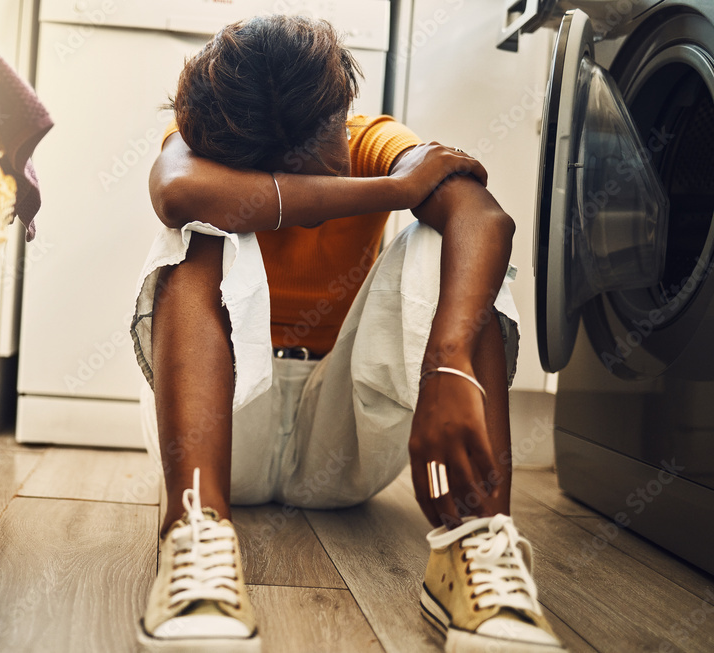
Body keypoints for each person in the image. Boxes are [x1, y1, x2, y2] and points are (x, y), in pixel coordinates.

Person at [130, 14, 566, 653]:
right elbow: (174, 191)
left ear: (342, 115)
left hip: (344, 434)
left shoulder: (371, 137)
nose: (304, 168)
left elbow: (483, 217)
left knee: (448, 235)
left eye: (314, 150)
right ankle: (194, 531)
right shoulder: (203, 144)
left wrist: (447, 361)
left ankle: (474, 548)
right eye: (275, 166)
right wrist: (389, 192)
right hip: (223, 426)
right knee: (195, 230)